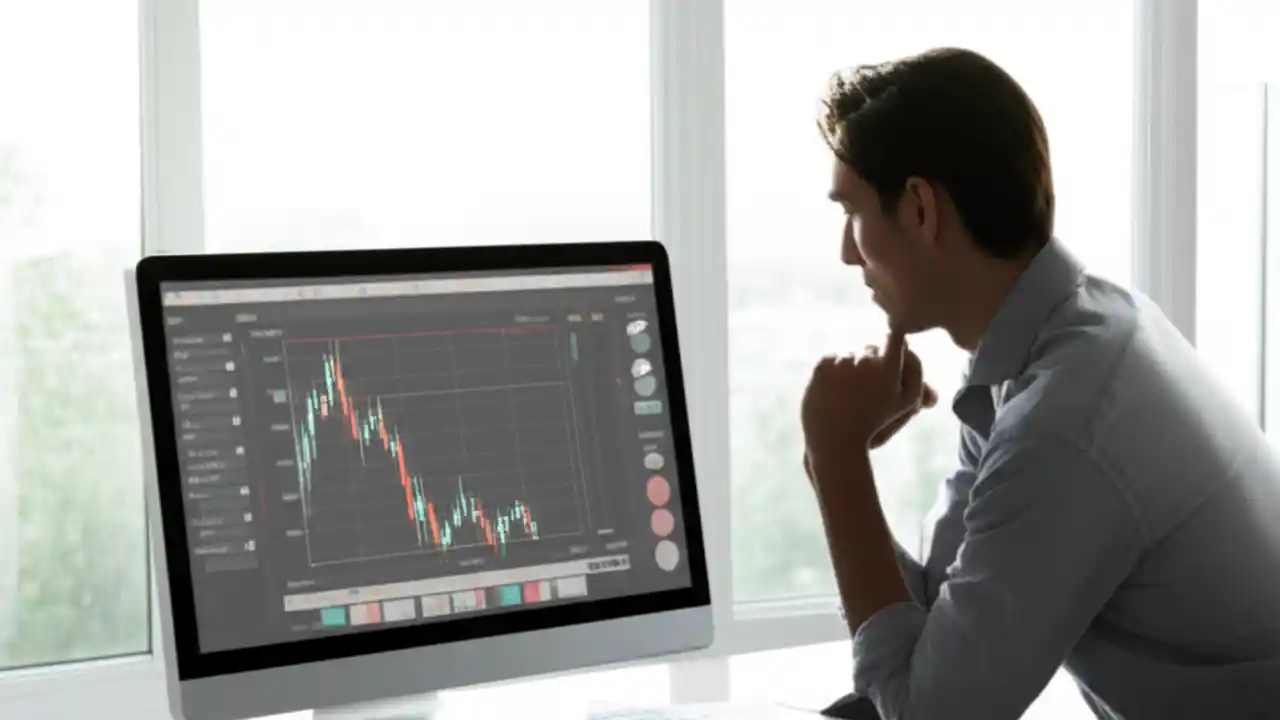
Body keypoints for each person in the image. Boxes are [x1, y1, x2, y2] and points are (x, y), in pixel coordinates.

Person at [801, 47, 1280, 720]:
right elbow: (938, 628)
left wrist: (836, 456)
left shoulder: (1064, 419)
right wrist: (830, 465)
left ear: (918, 209)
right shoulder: (1061, 344)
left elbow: (931, 715)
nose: (847, 252)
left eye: (851, 212)